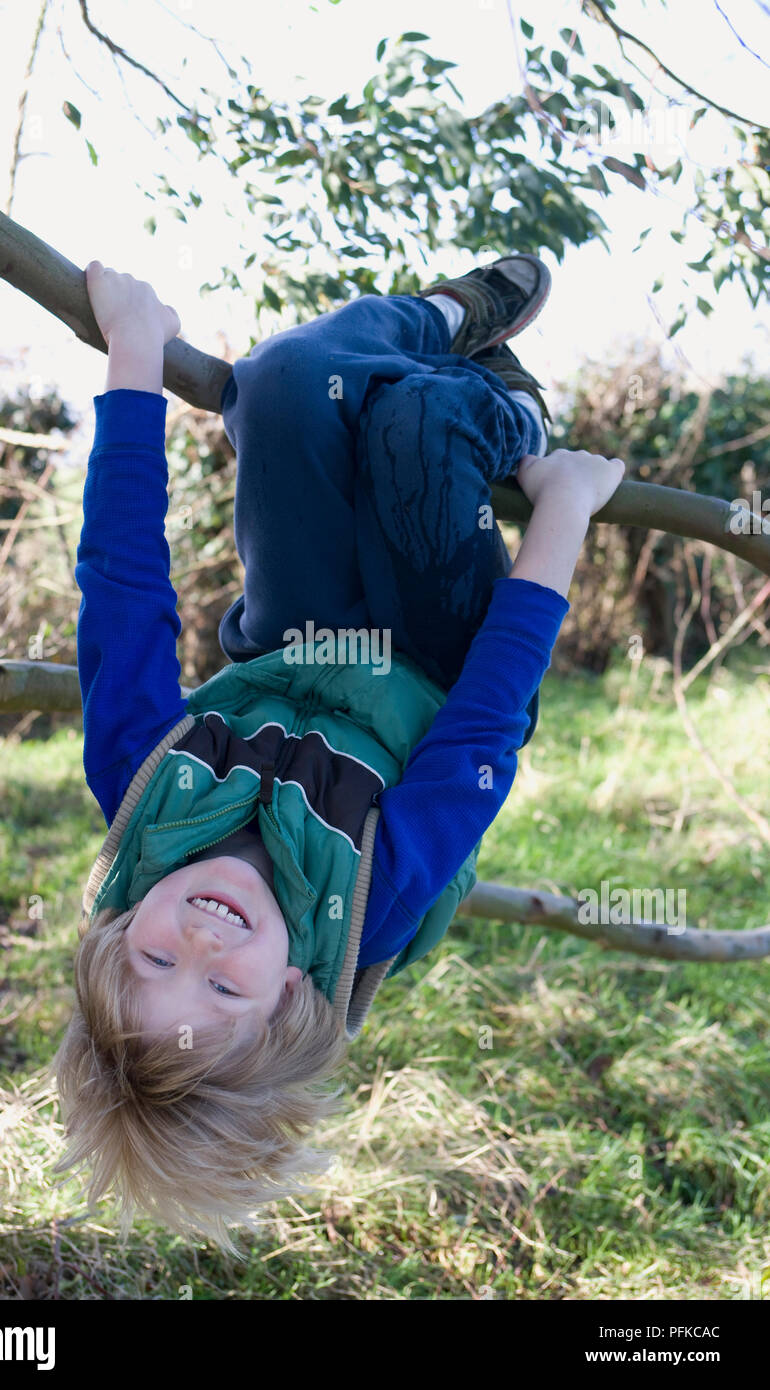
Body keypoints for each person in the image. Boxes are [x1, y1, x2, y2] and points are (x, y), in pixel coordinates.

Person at [51, 256, 625, 1253]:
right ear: (283, 998)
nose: (200, 939)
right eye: (223, 987)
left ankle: (455, 316)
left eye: (154, 958)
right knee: (421, 430)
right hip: (436, 663)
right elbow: (484, 724)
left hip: (296, 636)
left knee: (276, 382)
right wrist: (563, 507)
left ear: (114, 933)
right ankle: (513, 411)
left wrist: (134, 353)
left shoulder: (142, 785)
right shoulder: (375, 893)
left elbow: (122, 590)